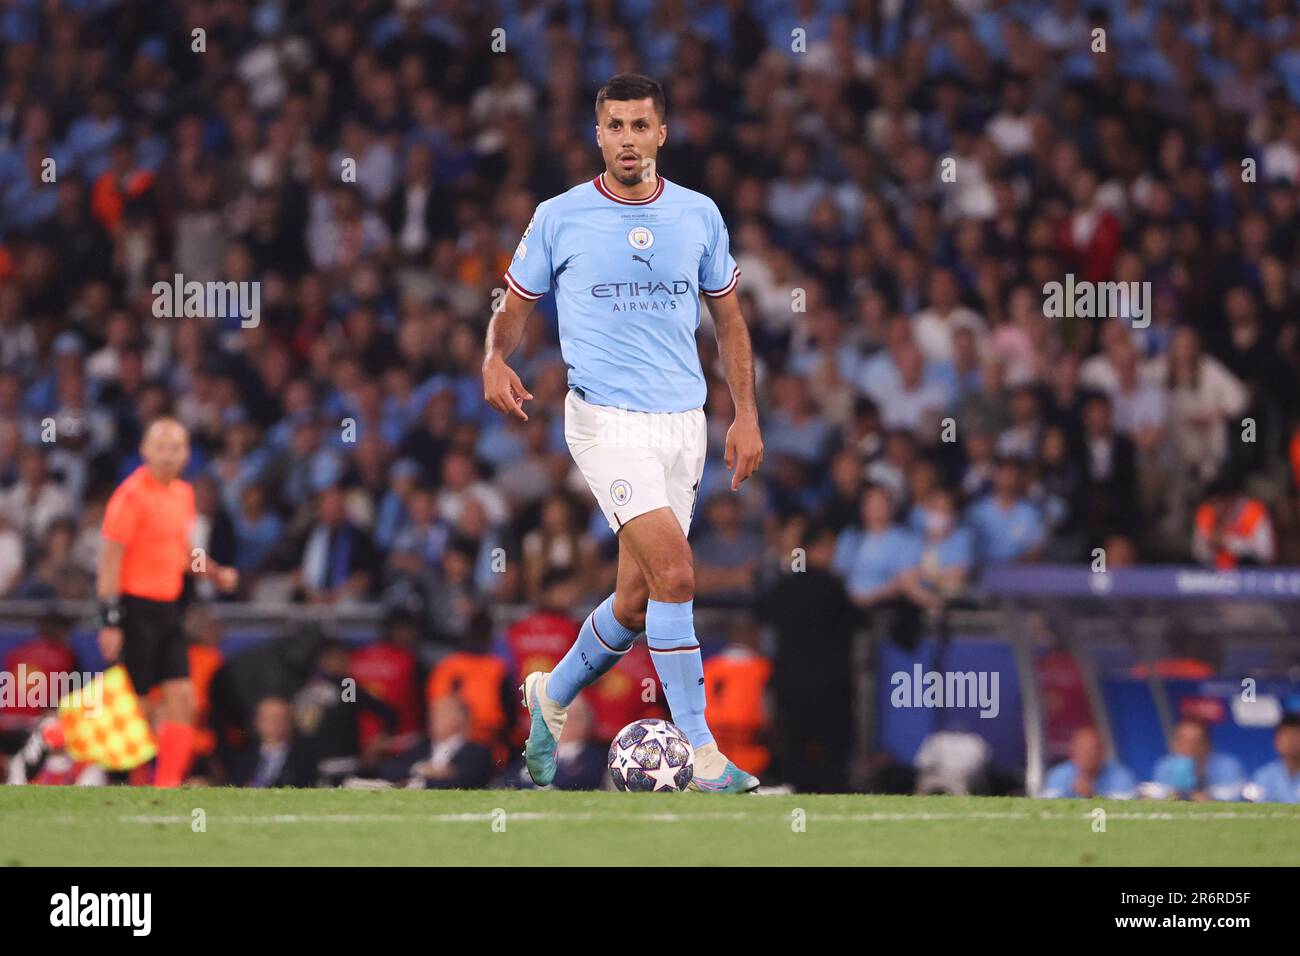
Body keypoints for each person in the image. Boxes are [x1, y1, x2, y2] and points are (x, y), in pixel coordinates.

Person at [483, 74, 763, 793]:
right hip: (604, 420)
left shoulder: (699, 215)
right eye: (617, 126)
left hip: (683, 424)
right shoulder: (560, 216)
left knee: (640, 604)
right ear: (598, 134)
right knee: (678, 574)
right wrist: (494, 355)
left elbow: (730, 321)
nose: (629, 139)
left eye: (642, 126)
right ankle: (702, 752)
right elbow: (514, 304)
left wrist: (747, 412)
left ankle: (552, 696)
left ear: (661, 133)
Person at [95, 417, 239, 787]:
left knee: (183, 698)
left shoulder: (183, 495)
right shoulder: (130, 495)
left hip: (169, 609)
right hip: (134, 609)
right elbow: (111, 559)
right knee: (139, 705)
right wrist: (109, 620)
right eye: (161, 447)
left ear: (187, 454)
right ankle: (130, 781)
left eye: (176, 448)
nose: (168, 456)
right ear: (144, 450)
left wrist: (215, 572)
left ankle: (168, 786)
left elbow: (181, 553)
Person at [1150, 718, 1246, 802]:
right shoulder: (1165, 766)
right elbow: (1159, 793)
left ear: (1206, 745)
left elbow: (1236, 794)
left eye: (1193, 743)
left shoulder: (1227, 765)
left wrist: (1211, 797)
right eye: (1181, 741)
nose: (1186, 748)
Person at [1041, 726, 1138, 799]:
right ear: (1072, 753)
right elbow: (1048, 806)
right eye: (1081, 750)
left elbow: (1124, 811)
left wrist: (1092, 796)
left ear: (1102, 752)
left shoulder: (1121, 776)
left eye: (1091, 750)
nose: (1087, 756)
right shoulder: (1059, 775)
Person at [1245, 712, 1300, 804]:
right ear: (1276, 741)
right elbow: (1253, 808)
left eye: (1296, 735)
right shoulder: (1263, 776)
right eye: (1286, 736)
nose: (1291, 741)